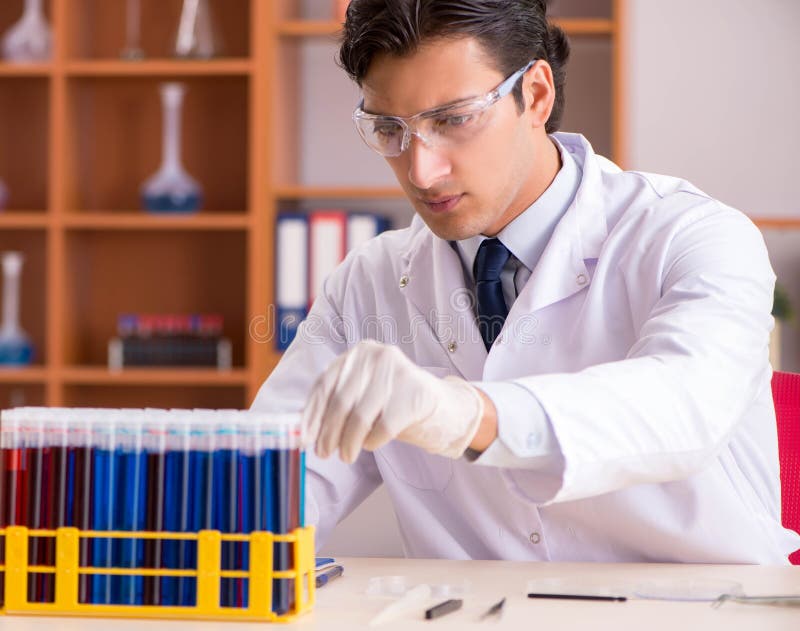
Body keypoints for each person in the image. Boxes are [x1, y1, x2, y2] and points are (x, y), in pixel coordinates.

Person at [252, 0, 800, 563]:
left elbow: (685, 403)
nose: (421, 171)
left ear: (535, 95)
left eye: (453, 119)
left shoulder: (691, 235)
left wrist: (465, 414)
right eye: (390, 129)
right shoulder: (369, 283)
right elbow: (275, 488)